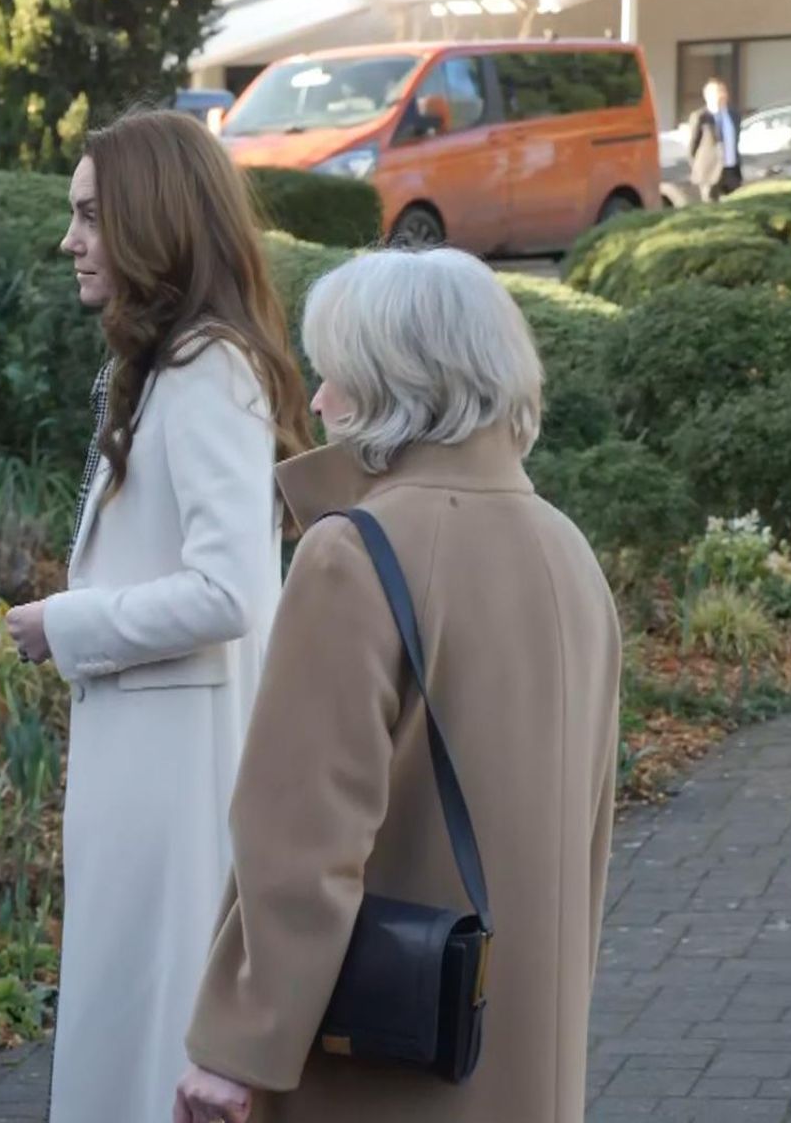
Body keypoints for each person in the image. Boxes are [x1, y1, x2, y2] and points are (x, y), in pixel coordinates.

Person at [175, 247, 622, 1123]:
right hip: (522, 1048)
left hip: (381, 1062)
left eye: (335, 374)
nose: (316, 402)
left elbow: (302, 840)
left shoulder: (355, 553)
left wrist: (238, 1048)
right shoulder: (569, 551)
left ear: (390, 386)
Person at [3, 108, 318, 1123]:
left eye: (90, 215)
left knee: (151, 1051)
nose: (70, 240)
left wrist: (66, 622)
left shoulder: (206, 369)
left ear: (152, 219)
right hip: (152, 772)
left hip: (179, 783)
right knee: (129, 1041)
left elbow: (230, 589)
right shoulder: (176, 364)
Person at [686, 78, 743, 202]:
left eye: (723, 91)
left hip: (731, 170)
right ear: (707, 96)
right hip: (709, 173)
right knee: (711, 206)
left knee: (734, 206)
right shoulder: (700, 117)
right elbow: (692, 147)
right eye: (718, 92)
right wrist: (698, 167)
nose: (722, 95)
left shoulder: (734, 115)